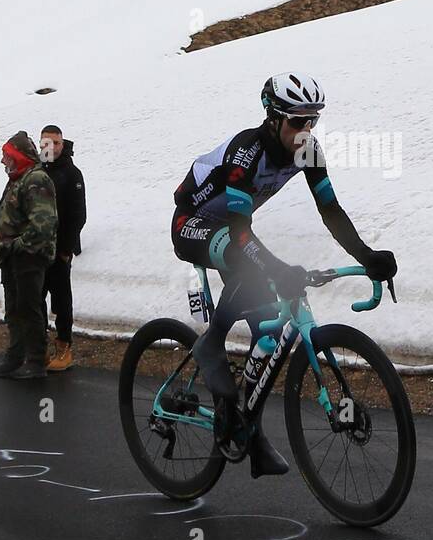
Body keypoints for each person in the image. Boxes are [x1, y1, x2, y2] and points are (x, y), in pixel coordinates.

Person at [170, 72, 397, 478]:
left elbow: (329, 209)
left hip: (232, 228)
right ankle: (211, 343)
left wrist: (367, 254)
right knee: (251, 265)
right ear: (273, 118)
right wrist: (277, 268)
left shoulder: (308, 149)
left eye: (313, 121)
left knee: (268, 332)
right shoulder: (246, 153)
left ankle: (243, 427)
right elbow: (241, 235)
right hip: (194, 223)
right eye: (297, 121)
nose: (305, 131)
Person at [0, 131, 58, 380]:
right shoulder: (18, 179)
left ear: (17, 156)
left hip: (29, 257)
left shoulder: (36, 179)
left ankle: (37, 361)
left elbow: (43, 224)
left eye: (6, 156)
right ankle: (15, 357)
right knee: (15, 310)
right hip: (12, 258)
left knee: (29, 308)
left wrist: (16, 244)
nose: (3, 161)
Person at [39, 125, 86, 373]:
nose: (50, 148)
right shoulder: (36, 170)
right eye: (45, 143)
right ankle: (39, 348)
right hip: (38, 248)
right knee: (37, 298)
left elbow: (78, 215)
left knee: (61, 298)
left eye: (55, 143)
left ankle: (64, 347)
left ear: (62, 144)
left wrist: (66, 249)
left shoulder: (71, 173)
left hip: (59, 250)